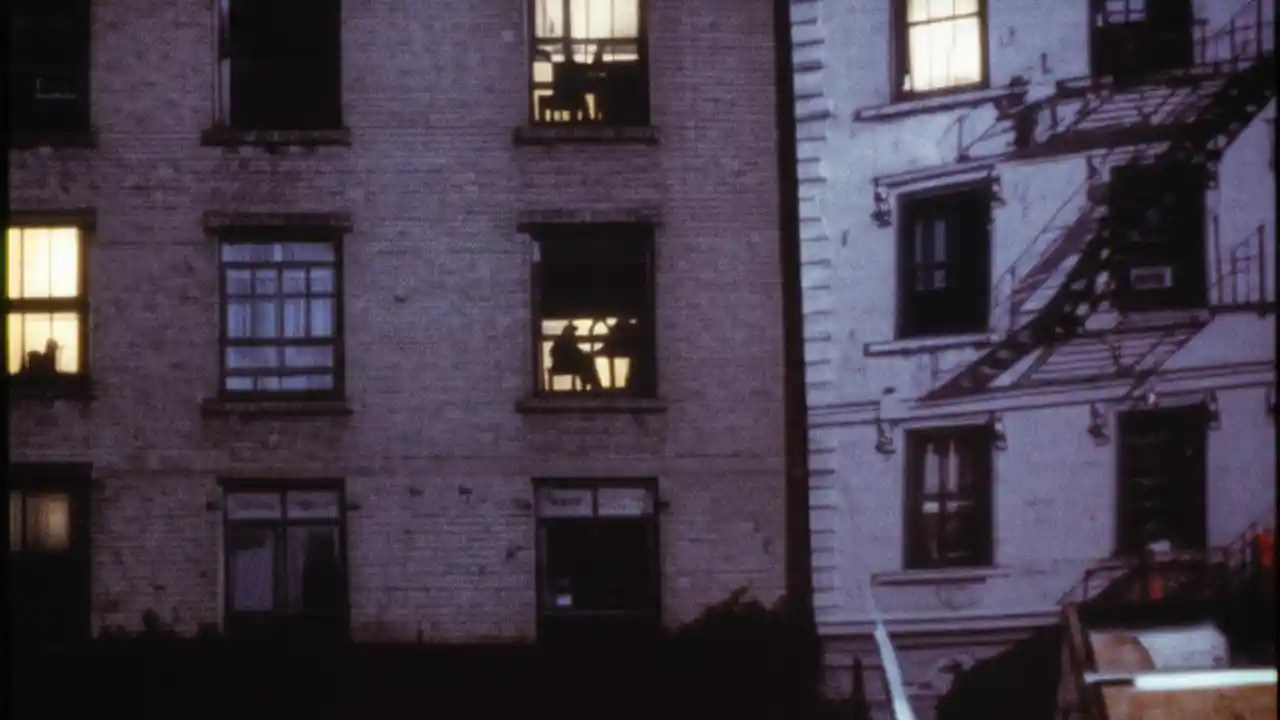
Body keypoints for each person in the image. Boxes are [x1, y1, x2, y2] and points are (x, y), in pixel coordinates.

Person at [550, 324, 601, 390]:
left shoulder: (562, 341)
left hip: (566, 365)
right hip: (563, 366)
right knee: (587, 362)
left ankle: (591, 383)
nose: (574, 334)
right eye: (572, 332)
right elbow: (576, 353)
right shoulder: (565, 342)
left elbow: (576, 353)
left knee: (587, 361)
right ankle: (593, 384)